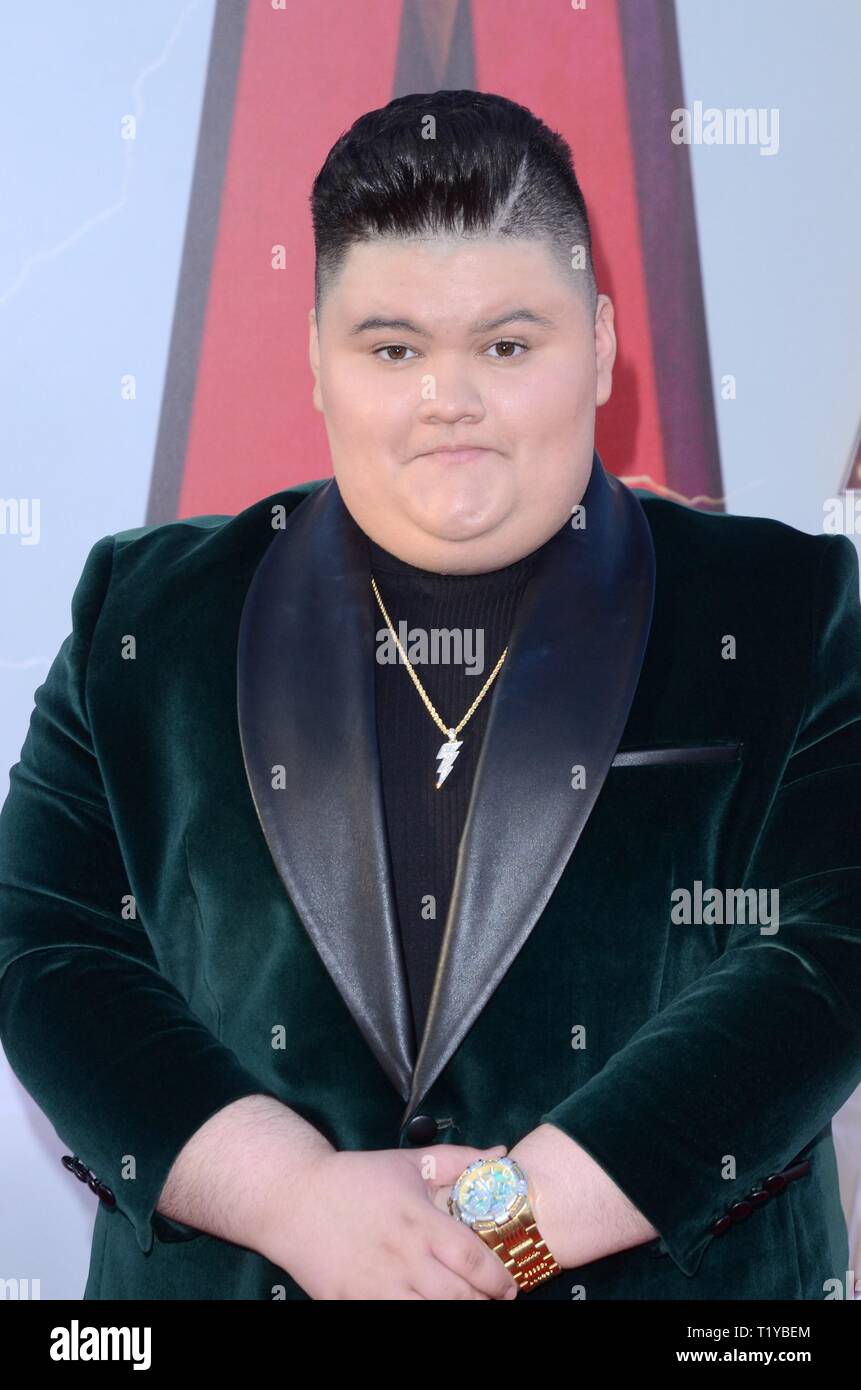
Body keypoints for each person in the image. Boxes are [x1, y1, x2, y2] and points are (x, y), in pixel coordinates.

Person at [1, 88, 860, 1301]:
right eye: (393, 347)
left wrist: (495, 1235)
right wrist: (296, 1199)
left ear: (603, 346)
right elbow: (45, 945)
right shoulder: (142, 613)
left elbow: (826, 953)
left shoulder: (786, 605)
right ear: (315, 358)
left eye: (508, 347)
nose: (446, 398)